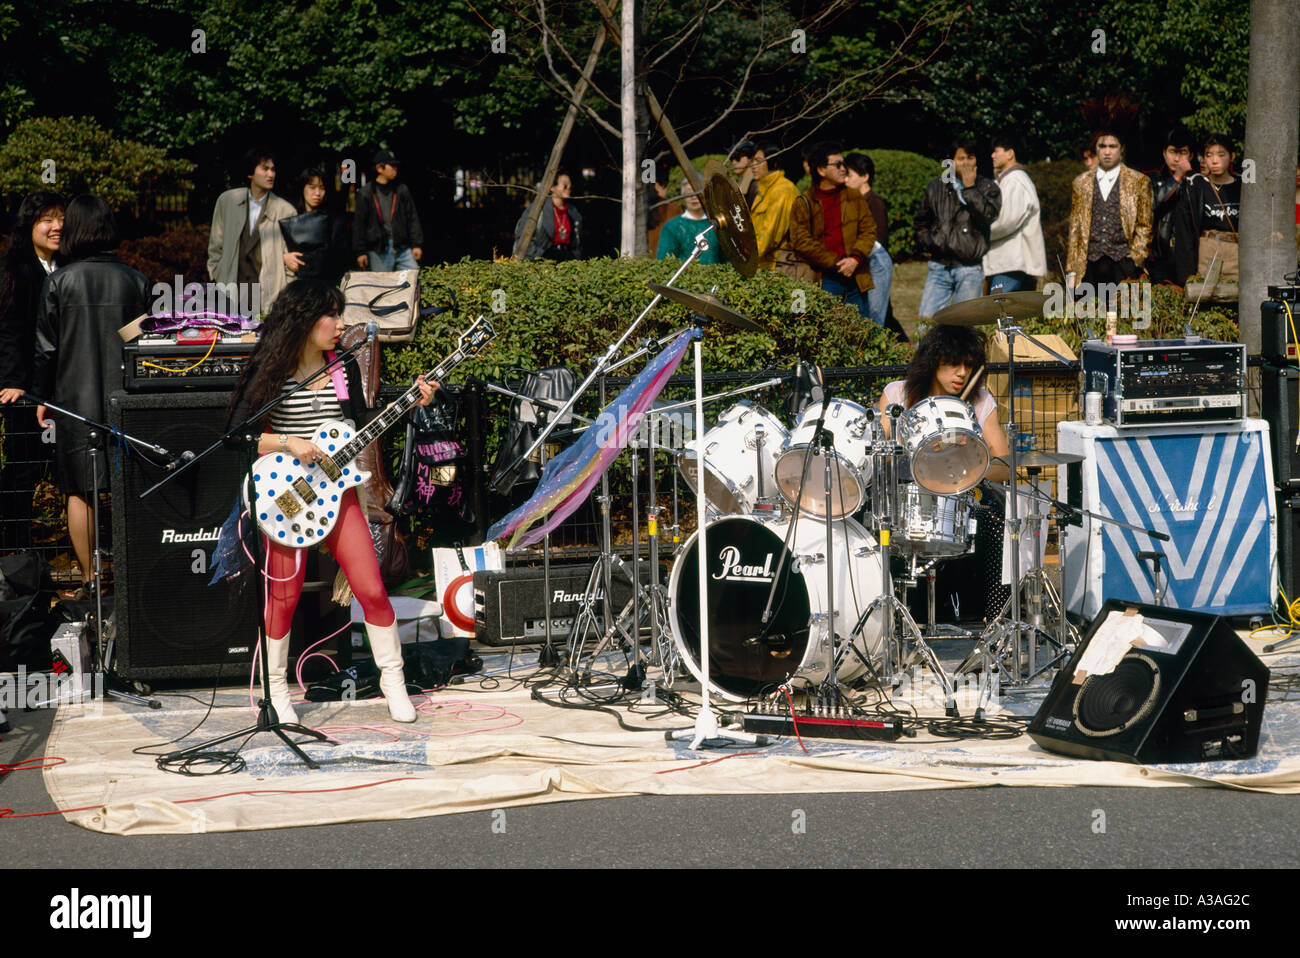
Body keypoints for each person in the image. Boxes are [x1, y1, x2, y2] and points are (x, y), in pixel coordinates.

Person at [225, 280, 436, 725]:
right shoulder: (271, 371)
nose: (341, 325)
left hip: (339, 494)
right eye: (332, 316)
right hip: (287, 497)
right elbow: (235, 435)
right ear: (304, 320)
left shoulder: (342, 368)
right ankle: (277, 691)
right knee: (284, 595)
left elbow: (365, 424)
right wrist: (288, 443)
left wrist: (411, 402)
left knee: (372, 588)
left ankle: (393, 683)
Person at [32, 196, 150, 598]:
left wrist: (42, 396)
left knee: (78, 491)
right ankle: (134, 581)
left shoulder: (58, 282)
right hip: (125, 400)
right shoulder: (135, 280)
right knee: (127, 489)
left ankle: (89, 579)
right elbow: (142, 348)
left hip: (72, 401)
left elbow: (46, 351)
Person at [878, 324, 1011, 623]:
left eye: (968, 365)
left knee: (998, 521)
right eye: (953, 364)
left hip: (959, 500)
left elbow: (1004, 466)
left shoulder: (980, 401)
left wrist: (970, 463)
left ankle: (990, 619)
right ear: (933, 362)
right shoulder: (898, 393)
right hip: (905, 499)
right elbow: (879, 454)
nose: (962, 373)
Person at [0, 191, 65, 552]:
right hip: (26, 388)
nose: (57, 227)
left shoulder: (68, 266)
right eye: (47, 220)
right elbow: (9, 330)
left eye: (61, 219)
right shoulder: (15, 270)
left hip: (64, 386)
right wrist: (13, 382)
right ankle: (14, 551)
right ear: (30, 225)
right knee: (23, 473)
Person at [914, 139, 1001, 320]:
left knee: (967, 324)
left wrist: (970, 189)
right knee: (926, 323)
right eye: (961, 158)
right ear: (952, 161)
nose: (966, 163)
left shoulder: (987, 187)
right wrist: (931, 242)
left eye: (970, 158)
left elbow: (989, 216)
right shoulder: (937, 186)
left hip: (970, 268)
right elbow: (921, 222)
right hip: (939, 266)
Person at [789, 141, 876, 320]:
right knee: (826, 334)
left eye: (843, 164)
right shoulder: (804, 202)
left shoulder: (854, 196)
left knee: (859, 336)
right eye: (837, 164)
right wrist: (836, 263)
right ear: (821, 170)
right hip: (823, 279)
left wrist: (855, 259)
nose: (843, 168)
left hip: (855, 276)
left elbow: (869, 229)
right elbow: (801, 241)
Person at [1065, 129, 1154, 300]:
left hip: (1124, 263)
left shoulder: (1139, 181)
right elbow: (1075, 229)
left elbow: (1145, 224)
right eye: (1102, 146)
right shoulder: (1080, 183)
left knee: (1126, 319)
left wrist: (1136, 258)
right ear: (1096, 149)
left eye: (1112, 146)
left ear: (1122, 149)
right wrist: (1071, 270)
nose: (1107, 151)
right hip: (1089, 263)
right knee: (1089, 317)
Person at [208, 147, 298, 312]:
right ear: (251, 173)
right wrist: (216, 273)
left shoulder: (285, 210)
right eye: (265, 169)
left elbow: (292, 260)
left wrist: (285, 289)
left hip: (268, 297)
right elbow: (216, 244)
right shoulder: (227, 201)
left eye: (273, 169)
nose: (271, 174)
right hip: (231, 292)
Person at [982, 133, 1046, 294]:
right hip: (1007, 262)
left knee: (1001, 313)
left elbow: (1005, 221)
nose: (992, 155)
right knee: (1007, 314)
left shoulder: (1016, 180)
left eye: (997, 151)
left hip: (1011, 263)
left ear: (1010, 153)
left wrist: (979, 233)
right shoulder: (1007, 180)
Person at [1174, 134, 1241, 283]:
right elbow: (1185, 232)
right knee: (1205, 295)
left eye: (1221, 155)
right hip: (1207, 252)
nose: (1214, 160)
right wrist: (1186, 275)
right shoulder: (1195, 186)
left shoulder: (1243, 186)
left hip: (1237, 253)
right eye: (1209, 155)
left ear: (1232, 156)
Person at [354, 149, 424, 271]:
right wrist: (361, 252)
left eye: (396, 166)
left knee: (414, 278)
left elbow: (412, 217)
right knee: (383, 285)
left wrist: (416, 244)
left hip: (402, 247)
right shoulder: (366, 193)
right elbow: (359, 225)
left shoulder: (401, 190)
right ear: (380, 168)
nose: (395, 169)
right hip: (378, 249)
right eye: (391, 166)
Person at [844, 153, 894, 322]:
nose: (845, 180)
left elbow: (879, 239)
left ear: (865, 177)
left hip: (874, 262)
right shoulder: (854, 201)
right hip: (863, 262)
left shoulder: (874, 203)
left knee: (874, 318)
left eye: (849, 175)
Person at [281, 167, 351, 286]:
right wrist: (284, 257)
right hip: (294, 284)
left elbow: (338, 257)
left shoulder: (334, 220)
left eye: (322, 188)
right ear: (302, 189)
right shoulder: (290, 216)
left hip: (326, 284)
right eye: (312, 188)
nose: (317, 193)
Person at [1146, 126, 1197, 286]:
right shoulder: (1151, 179)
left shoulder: (1197, 181)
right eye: (1172, 152)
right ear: (1164, 153)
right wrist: (1176, 178)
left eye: (1182, 153)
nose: (1177, 158)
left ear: (1191, 155)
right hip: (1159, 257)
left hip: (1190, 256)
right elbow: (1149, 206)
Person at [748, 141, 803, 277]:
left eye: (758, 161)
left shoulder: (782, 190)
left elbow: (769, 234)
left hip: (775, 268)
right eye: (752, 161)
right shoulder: (763, 188)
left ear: (773, 162)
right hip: (761, 265)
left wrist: (745, 258)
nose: (753, 166)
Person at [514, 172, 583, 261]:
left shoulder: (573, 212)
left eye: (570, 186)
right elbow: (522, 240)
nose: (568, 188)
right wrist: (543, 256)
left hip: (566, 264)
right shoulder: (537, 209)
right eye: (565, 185)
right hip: (540, 263)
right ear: (552, 187)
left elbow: (577, 245)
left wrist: (573, 258)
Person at [655, 177, 724, 263]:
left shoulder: (718, 224)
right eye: (689, 193)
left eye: (697, 192)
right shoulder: (672, 227)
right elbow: (663, 262)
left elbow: (727, 260)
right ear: (683, 196)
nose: (693, 197)